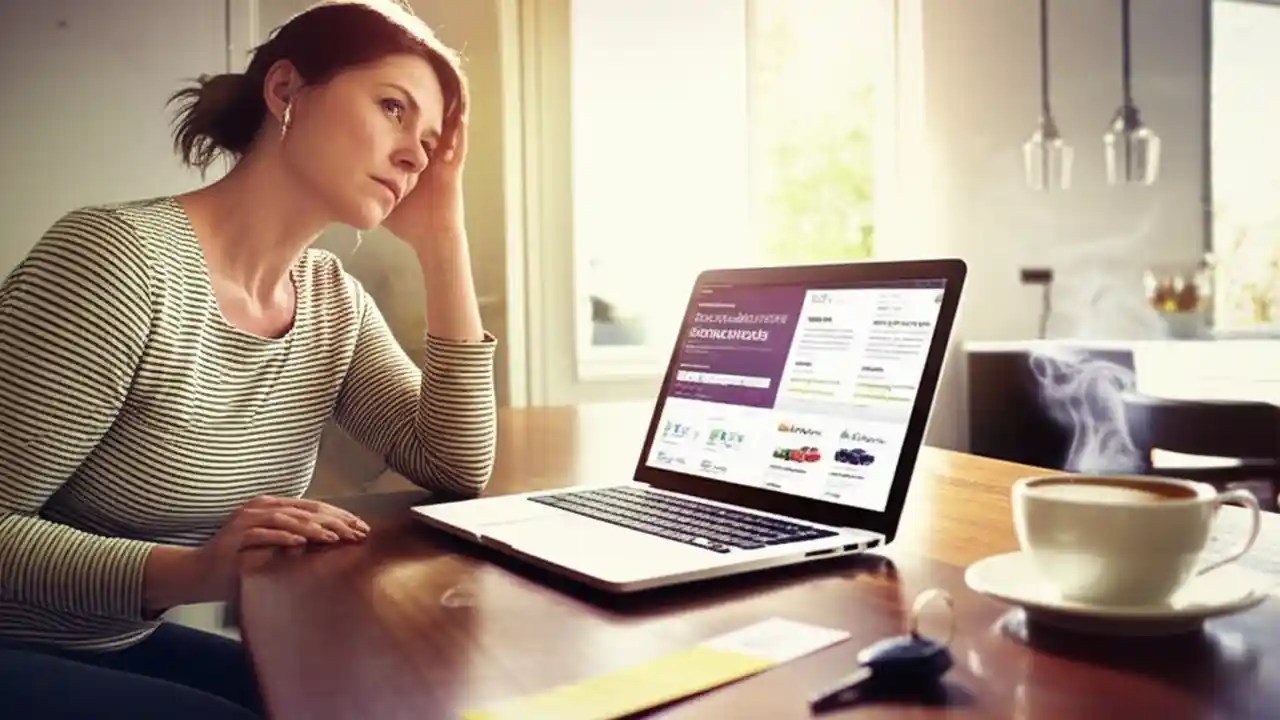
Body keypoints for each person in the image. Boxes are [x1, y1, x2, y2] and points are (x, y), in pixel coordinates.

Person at [0, 1, 495, 717]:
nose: (417, 154)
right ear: (285, 91)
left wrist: (444, 239)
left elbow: (453, 462)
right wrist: (198, 572)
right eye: (393, 108)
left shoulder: (331, 301)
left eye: (429, 140)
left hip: (108, 642)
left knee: (357, 701)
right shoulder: (119, 262)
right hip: (16, 643)